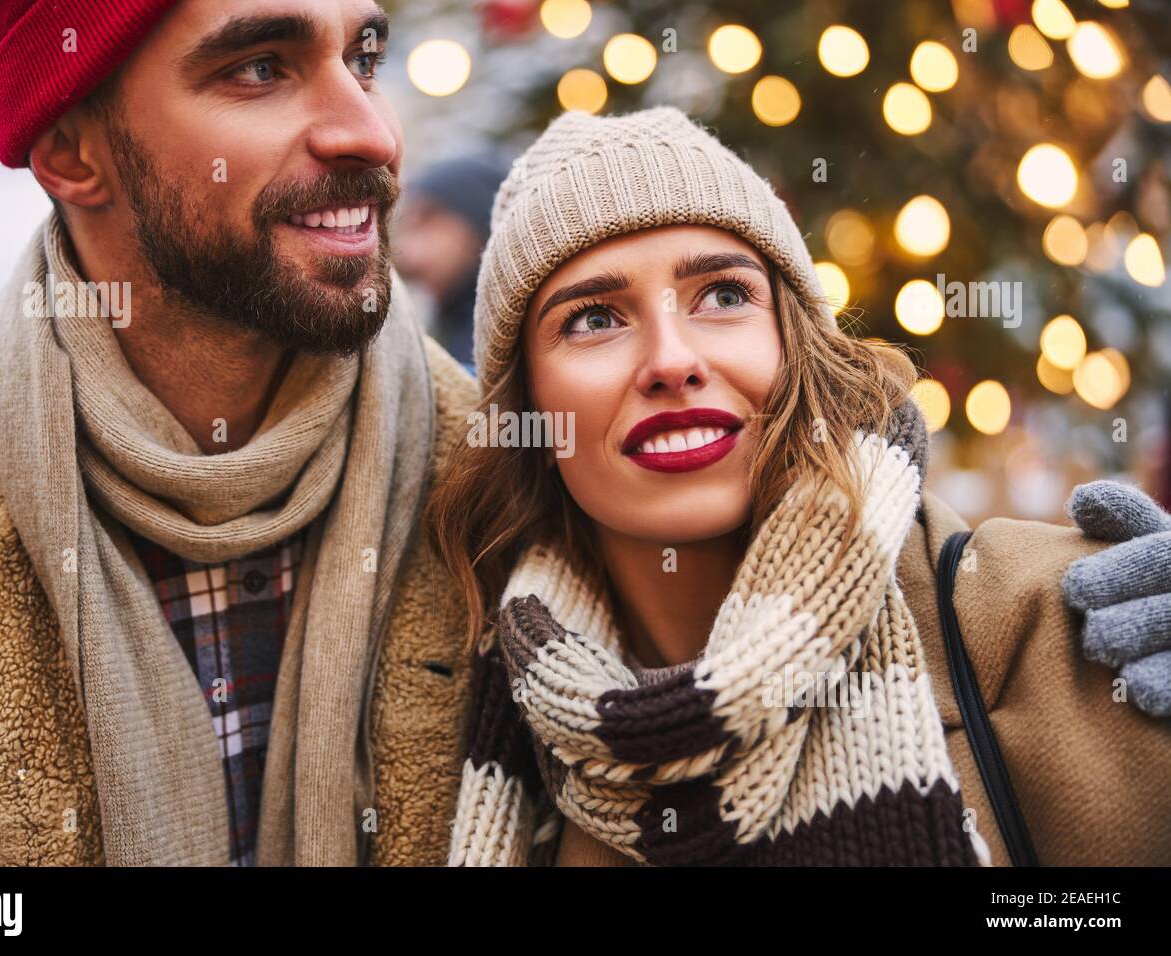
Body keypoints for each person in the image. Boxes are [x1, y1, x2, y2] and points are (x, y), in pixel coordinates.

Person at [430, 107, 1171, 866]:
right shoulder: (486, 723)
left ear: (795, 342)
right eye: (593, 318)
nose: (671, 360)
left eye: (722, 296)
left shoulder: (1064, 617)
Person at [0, 0, 479, 866]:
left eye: (365, 57)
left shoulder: (505, 518)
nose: (372, 131)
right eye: (261, 67)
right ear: (72, 154)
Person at [392, 153, 510, 371]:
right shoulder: (449, 327)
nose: (407, 254)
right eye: (407, 226)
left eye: (426, 221)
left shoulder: (512, 342)